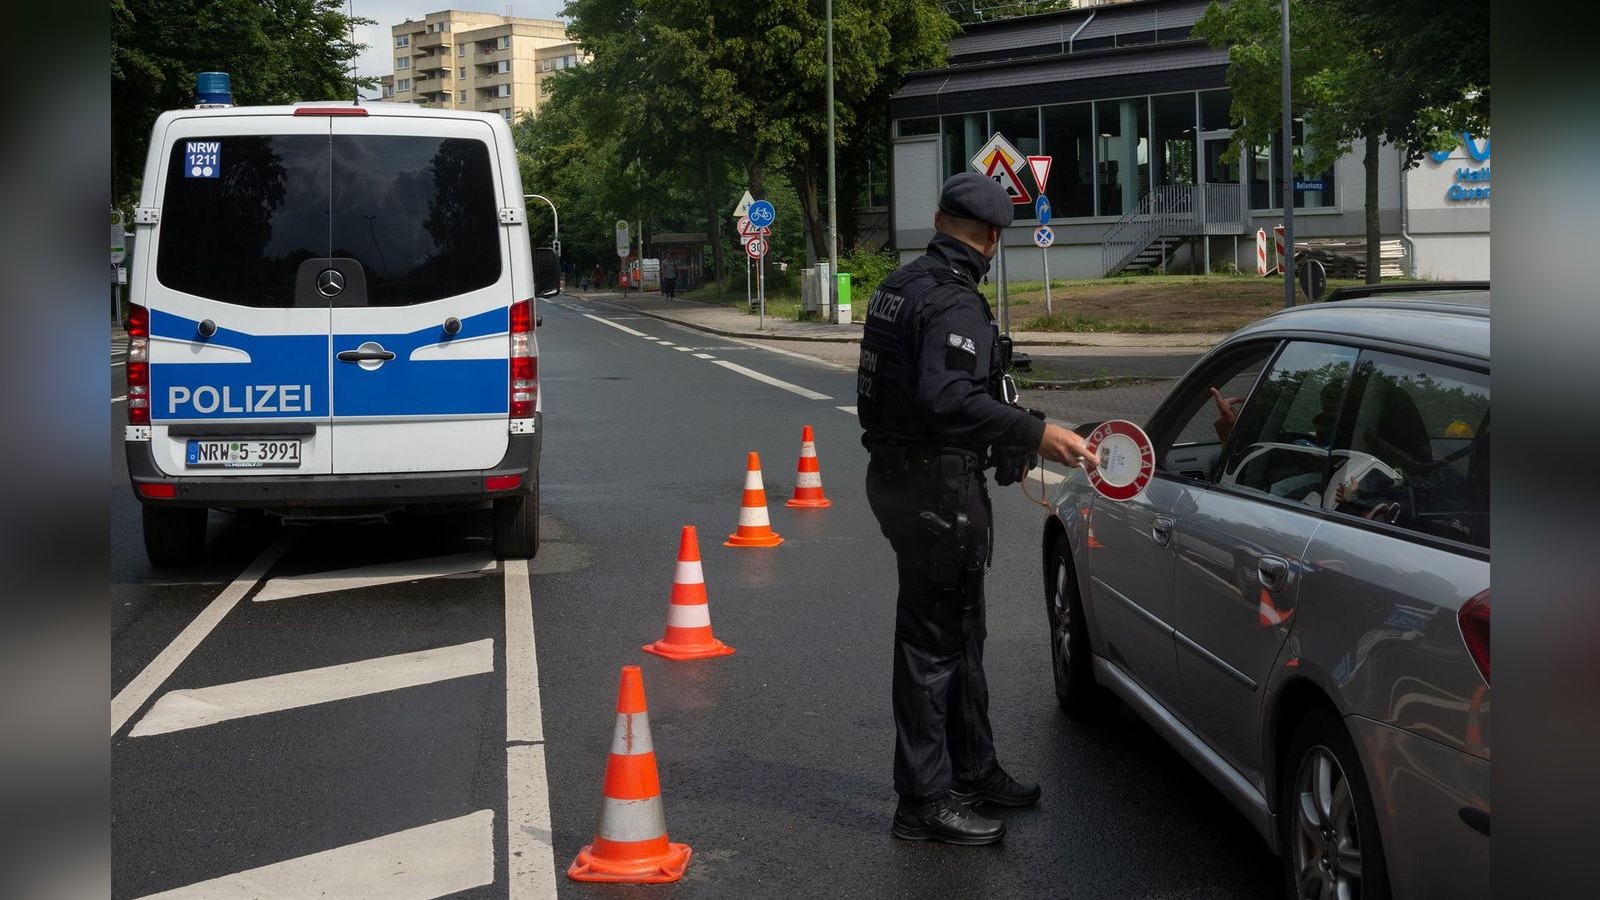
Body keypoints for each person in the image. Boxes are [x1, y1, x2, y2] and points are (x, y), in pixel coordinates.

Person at [856, 171, 1099, 846]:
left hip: (908, 479)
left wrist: (1004, 427)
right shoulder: (954, 303)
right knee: (933, 648)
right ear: (993, 238)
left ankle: (973, 769)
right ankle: (924, 803)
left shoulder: (901, 287)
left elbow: (922, 392)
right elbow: (946, 399)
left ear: (939, 219)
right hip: (935, 491)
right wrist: (1033, 432)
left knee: (960, 635)